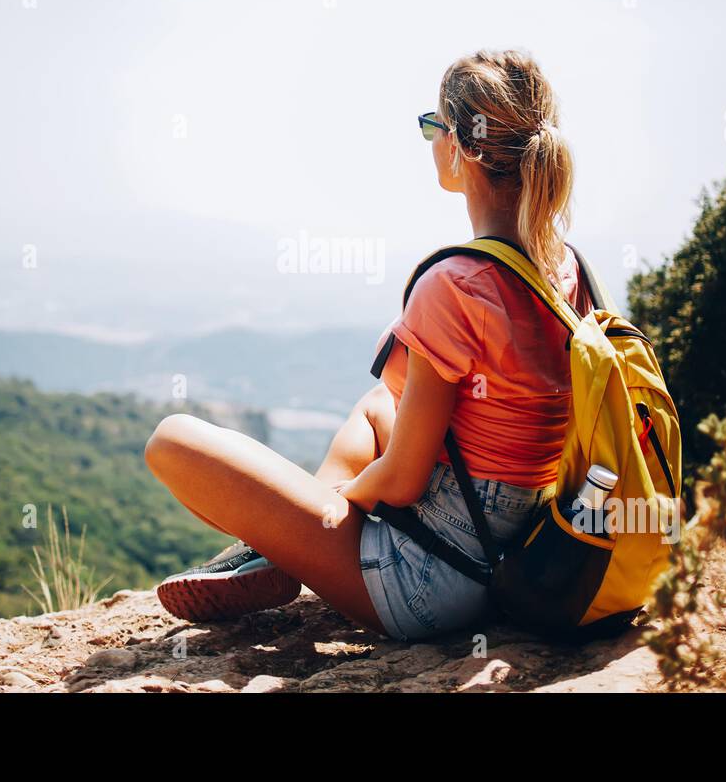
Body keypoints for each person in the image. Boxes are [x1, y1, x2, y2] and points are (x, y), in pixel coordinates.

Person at [144, 49, 590, 641]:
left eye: (433, 125)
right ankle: (277, 555)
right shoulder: (564, 270)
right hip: (518, 553)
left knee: (170, 440)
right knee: (379, 405)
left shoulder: (454, 284)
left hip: (430, 582)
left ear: (459, 146)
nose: (429, 139)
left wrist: (331, 503)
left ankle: (278, 554)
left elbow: (402, 484)